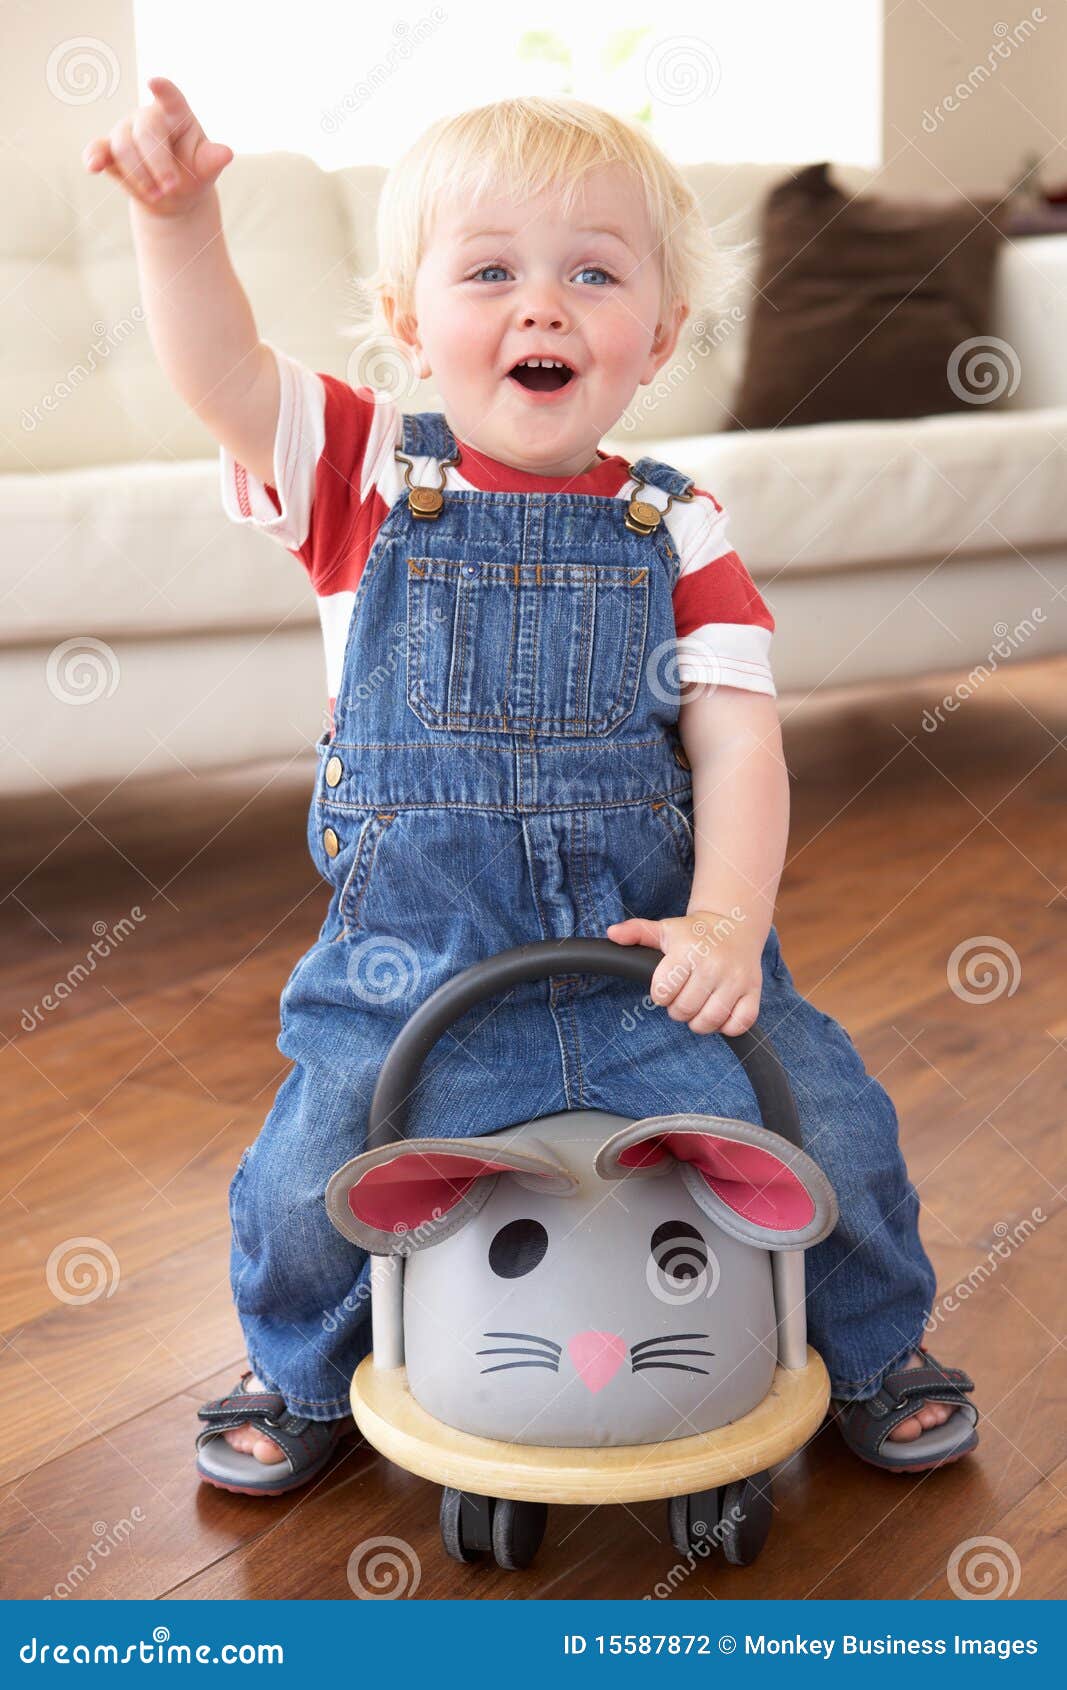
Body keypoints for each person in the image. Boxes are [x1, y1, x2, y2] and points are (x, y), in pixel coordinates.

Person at [83, 81, 979, 1495]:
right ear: (406, 316)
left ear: (660, 336)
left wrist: (730, 927)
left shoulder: (676, 521)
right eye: (490, 270)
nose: (543, 306)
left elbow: (741, 740)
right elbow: (222, 373)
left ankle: (875, 1348)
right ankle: (302, 1373)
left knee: (832, 1111)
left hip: (648, 964)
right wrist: (179, 220)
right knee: (305, 1159)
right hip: (411, 968)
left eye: (593, 273)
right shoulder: (366, 472)